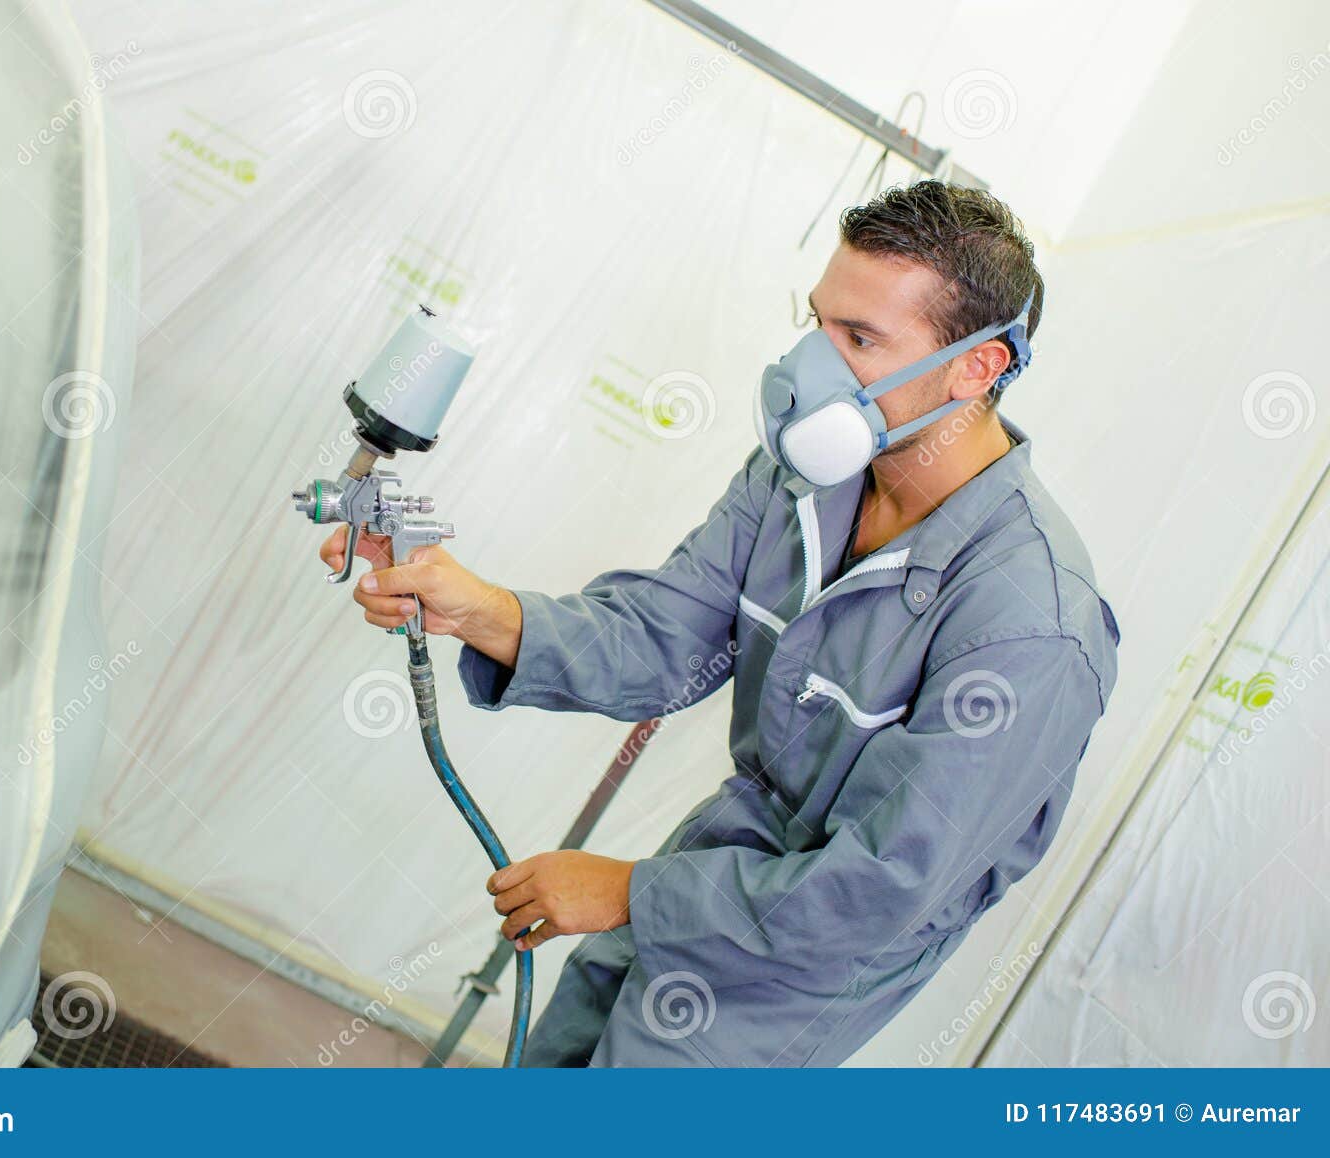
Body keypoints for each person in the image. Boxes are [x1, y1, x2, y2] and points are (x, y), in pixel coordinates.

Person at [319, 180, 1119, 1066]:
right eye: (817, 323)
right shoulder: (800, 480)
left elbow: (883, 887)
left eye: (859, 340)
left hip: (792, 984)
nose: (807, 370)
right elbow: (665, 638)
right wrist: (481, 611)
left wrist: (631, 896)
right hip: (704, 874)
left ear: (977, 368)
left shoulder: (1032, 624)